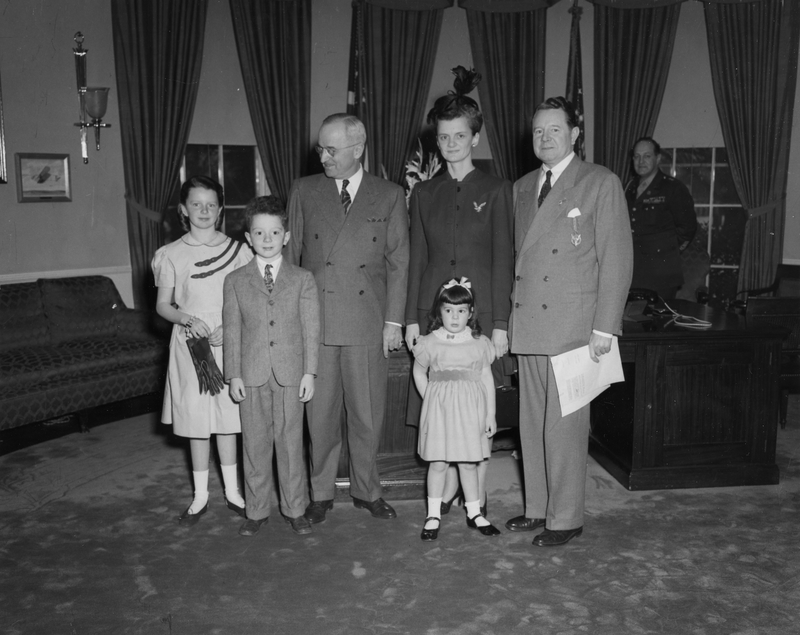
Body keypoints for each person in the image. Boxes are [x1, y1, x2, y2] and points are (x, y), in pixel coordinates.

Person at [506, 97, 633, 547]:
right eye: (538, 131)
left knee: (565, 426)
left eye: (554, 130)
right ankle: (538, 507)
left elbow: (616, 258)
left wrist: (605, 327)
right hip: (532, 323)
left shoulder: (599, 182)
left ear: (575, 134)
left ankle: (566, 516)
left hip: (574, 326)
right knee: (533, 421)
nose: (545, 138)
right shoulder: (522, 186)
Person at [286, 113, 410, 523]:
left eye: (332, 149)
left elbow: (399, 263)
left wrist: (393, 322)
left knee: (367, 415)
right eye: (320, 148)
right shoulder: (304, 191)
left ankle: (367, 489)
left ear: (358, 149)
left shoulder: (389, 195)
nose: (323, 156)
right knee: (319, 416)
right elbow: (290, 260)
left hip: (366, 321)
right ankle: (320, 492)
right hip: (316, 322)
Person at [404, 72, 514, 522]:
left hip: (481, 314)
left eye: (459, 136)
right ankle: (447, 494)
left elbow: (504, 260)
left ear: (474, 137)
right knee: (442, 403)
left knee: (477, 406)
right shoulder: (424, 193)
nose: (450, 144)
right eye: (443, 136)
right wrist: (412, 318)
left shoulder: (495, 190)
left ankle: (475, 500)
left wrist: (502, 323)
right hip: (435, 316)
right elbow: (417, 259)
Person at [153, 175, 252, 526]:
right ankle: (199, 496)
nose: (204, 211)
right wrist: (186, 319)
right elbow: (163, 305)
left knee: (227, 419)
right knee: (197, 422)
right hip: (190, 344)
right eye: (196, 204)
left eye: (211, 204)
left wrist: (232, 324)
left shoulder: (240, 251)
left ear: (221, 209)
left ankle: (233, 492)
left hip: (227, 342)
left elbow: (248, 299)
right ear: (183, 209)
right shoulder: (171, 254)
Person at [223, 196, 320, 537]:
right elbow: (232, 330)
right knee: (254, 444)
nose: (267, 239)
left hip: (291, 374)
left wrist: (310, 372)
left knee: (291, 444)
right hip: (250, 375)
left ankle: (295, 508)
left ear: (287, 236)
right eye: (259, 233)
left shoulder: (302, 279)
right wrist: (233, 374)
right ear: (248, 237)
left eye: (275, 232)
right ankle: (256, 510)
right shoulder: (235, 280)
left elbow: (311, 328)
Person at [412, 278, 501, 541]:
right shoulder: (430, 342)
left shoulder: (479, 342)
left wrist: (490, 414)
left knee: (468, 463)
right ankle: (433, 515)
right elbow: (419, 372)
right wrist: (430, 397)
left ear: (471, 312)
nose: (455, 316)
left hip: (471, 411)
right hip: (440, 411)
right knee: (438, 463)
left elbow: (486, 378)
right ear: (439, 311)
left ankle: (475, 512)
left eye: (461, 311)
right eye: (449, 310)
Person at [625, 137, 697, 300]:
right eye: (637, 156)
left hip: (661, 273)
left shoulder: (673, 188)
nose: (641, 161)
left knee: (657, 322)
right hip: (633, 271)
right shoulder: (629, 188)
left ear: (658, 159)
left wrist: (667, 251)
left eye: (647, 156)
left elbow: (688, 228)